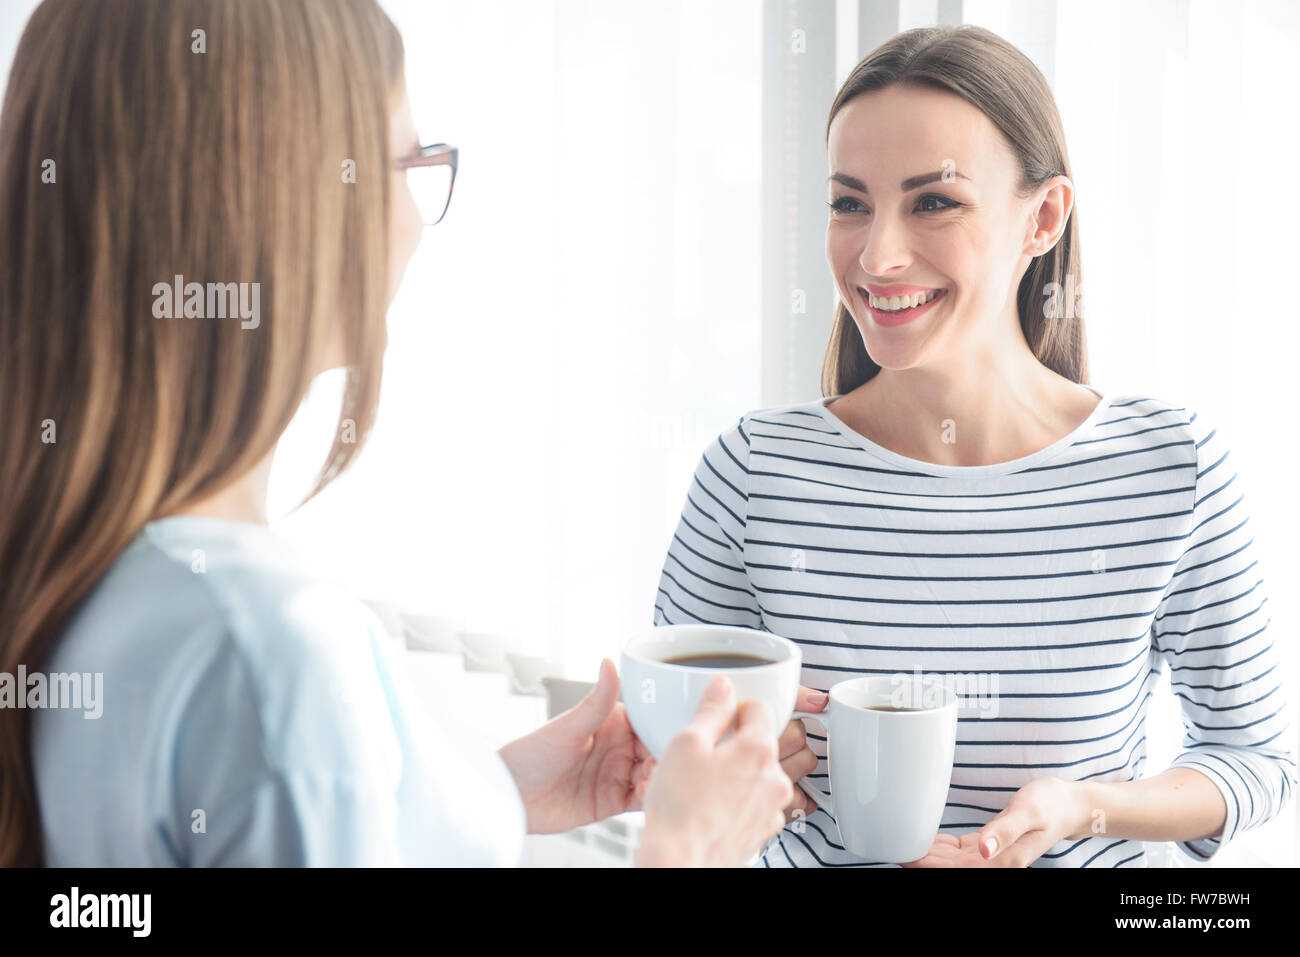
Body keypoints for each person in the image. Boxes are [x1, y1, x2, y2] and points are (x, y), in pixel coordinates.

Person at [0, 0, 818, 867]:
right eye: (408, 161)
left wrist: (479, 801)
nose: (415, 215)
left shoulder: (90, 567)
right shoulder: (266, 648)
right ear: (291, 208)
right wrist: (689, 849)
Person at [654, 25, 1296, 867]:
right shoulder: (752, 474)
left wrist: (1086, 808)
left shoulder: (1172, 468)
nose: (878, 255)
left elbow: (1256, 758)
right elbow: (675, 749)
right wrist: (735, 773)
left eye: (934, 201)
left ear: (1044, 218)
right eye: (850, 202)